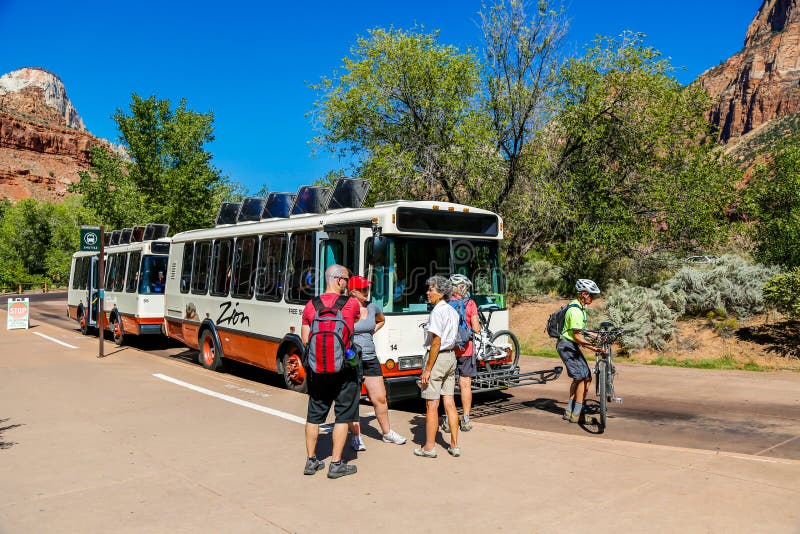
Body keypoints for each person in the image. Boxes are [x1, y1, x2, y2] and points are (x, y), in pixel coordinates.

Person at [301, 264, 361, 479]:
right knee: (343, 416)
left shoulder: (310, 305)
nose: (347, 283)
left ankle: (311, 461)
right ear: (338, 280)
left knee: (314, 416)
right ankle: (336, 464)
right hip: (344, 368)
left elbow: (306, 339)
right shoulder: (351, 304)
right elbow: (355, 325)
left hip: (317, 369)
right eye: (346, 279)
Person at [346, 275, 407, 451]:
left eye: (367, 288)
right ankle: (355, 436)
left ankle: (387, 433)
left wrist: (372, 331)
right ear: (353, 292)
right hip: (351, 359)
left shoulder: (372, 306)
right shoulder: (346, 309)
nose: (366, 292)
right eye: (362, 289)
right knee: (353, 399)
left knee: (380, 398)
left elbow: (381, 319)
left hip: (371, 358)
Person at [414, 275, 461, 458]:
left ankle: (429, 447)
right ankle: (454, 445)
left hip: (438, 358)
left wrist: (427, 369)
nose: (428, 292)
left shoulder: (437, 312)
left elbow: (436, 341)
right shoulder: (453, 311)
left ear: (441, 293)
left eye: (431, 289)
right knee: (449, 401)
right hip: (450, 358)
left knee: (431, 404)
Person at [557, 279, 603, 423]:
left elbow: (580, 330)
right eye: (591, 296)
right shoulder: (575, 310)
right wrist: (593, 347)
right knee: (583, 378)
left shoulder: (578, 307)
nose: (592, 299)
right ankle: (577, 414)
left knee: (582, 378)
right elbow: (577, 337)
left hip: (568, 346)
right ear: (584, 294)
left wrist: (595, 335)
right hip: (568, 347)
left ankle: (570, 412)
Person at [440, 274, 481, 433]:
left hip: (449, 349)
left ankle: (447, 418)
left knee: (448, 385)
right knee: (465, 385)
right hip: (467, 349)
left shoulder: (445, 304)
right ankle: (465, 419)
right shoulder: (470, 303)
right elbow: (476, 329)